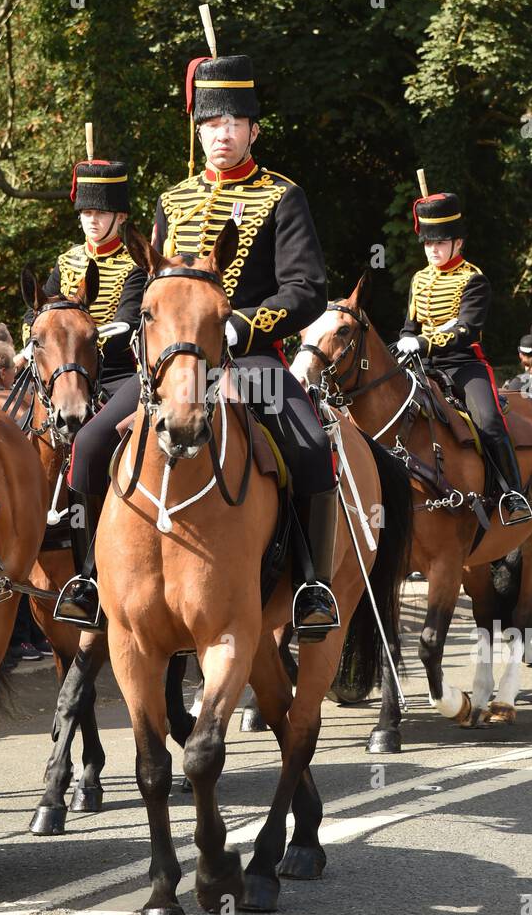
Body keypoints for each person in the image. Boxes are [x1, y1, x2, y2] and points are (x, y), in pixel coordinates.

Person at [57, 50, 340, 640]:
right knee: (86, 445)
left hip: (250, 358)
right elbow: (152, 288)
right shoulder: (172, 200)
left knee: (312, 448)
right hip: (169, 366)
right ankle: (87, 578)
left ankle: (312, 584)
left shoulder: (283, 197)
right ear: (200, 129)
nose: (224, 134)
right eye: (213, 124)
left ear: (254, 130)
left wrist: (242, 325)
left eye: (235, 124)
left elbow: (307, 289)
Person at [397, 191, 532, 525]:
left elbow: (467, 330)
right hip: (421, 364)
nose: (433, 249)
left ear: (458, 242)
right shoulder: (419, 279)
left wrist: (424, 343)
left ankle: (513, 494)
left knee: (487, 420)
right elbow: (409, 326)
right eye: (428, 243)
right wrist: (404, 340)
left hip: (463, 364)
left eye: (441, 242)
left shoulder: (474, 279)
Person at [51, 157, 147, 623]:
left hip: (114, 373)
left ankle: (91, 564)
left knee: (95, 443)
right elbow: (39, 311)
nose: (91, 219)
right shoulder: (66, 260)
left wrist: (79, 336)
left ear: (120, 216)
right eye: (85, 212)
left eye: (100, 212)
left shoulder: (134, 265)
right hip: (61, 372)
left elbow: (128, 321)